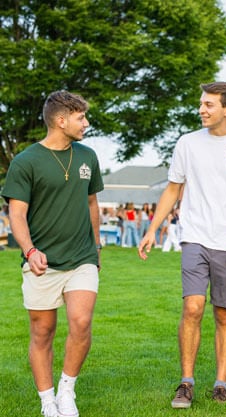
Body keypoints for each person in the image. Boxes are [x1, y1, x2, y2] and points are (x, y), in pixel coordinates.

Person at [138, 81, 226, 408]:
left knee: (224, 313)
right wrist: (153, 229)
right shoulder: (188, 143)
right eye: (201, 103)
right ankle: (186, 382)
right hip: (194, 236)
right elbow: (173, 189)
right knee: (193, 307)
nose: (201, 109)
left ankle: (220, 384)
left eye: (209, 104)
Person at [1, 90, 103, 417]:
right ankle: (47, 401)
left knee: (81, 322)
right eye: (80, 118)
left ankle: (66, 390)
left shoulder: (87, 157)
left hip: (82, 257)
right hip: (41, 262)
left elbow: (92, 203)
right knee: (42, 332)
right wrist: (30, 250)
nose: (85, 123)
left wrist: (96, 247)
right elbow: (17, 214)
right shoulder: (25, 161)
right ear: (61, 120)